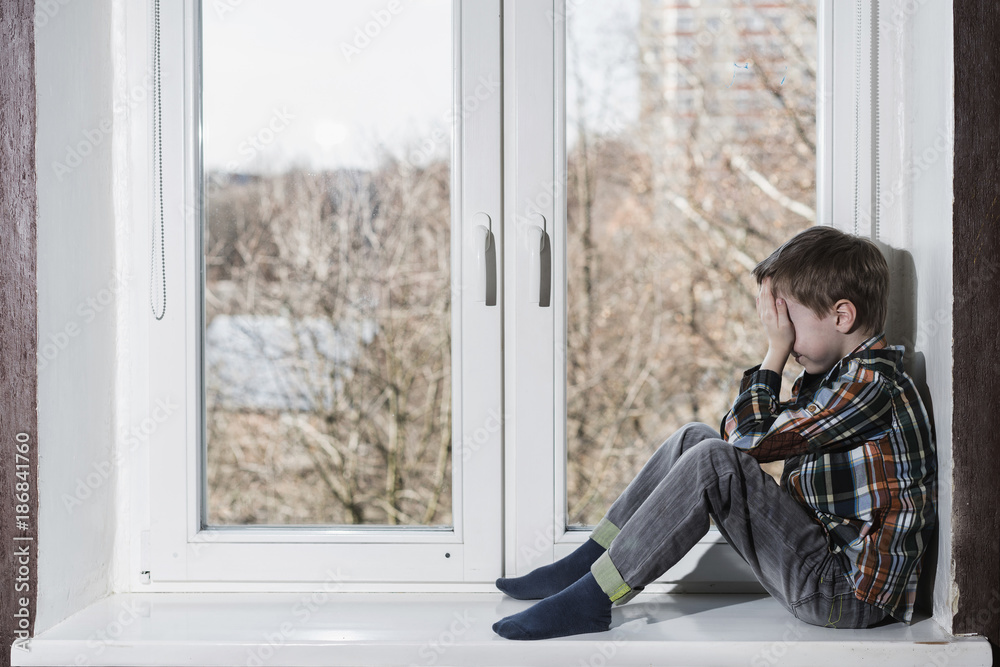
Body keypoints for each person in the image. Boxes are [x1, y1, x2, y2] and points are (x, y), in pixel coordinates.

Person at [492, 226, 937, 640]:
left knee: (713, 460)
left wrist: (774, 353)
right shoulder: (840, 378)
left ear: (841, 316)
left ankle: (592, 599)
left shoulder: (871, 386)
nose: (781, 335)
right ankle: (589, 565)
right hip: (824, 566)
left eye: (788, 323)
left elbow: (746, 441)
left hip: (847, 595)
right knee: (696, 437)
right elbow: (738, 434)